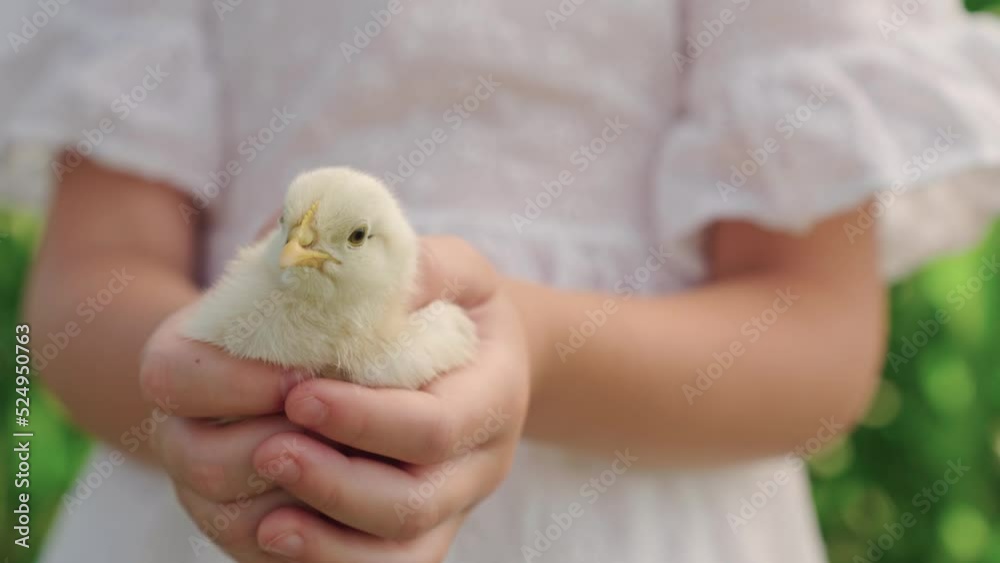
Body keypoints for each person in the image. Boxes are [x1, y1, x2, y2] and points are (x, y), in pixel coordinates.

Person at [5, 1, 1000, 561]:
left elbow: (811, 344)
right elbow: (91, 291)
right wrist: (237, 390)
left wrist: (512, 343)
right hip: (215, 523)